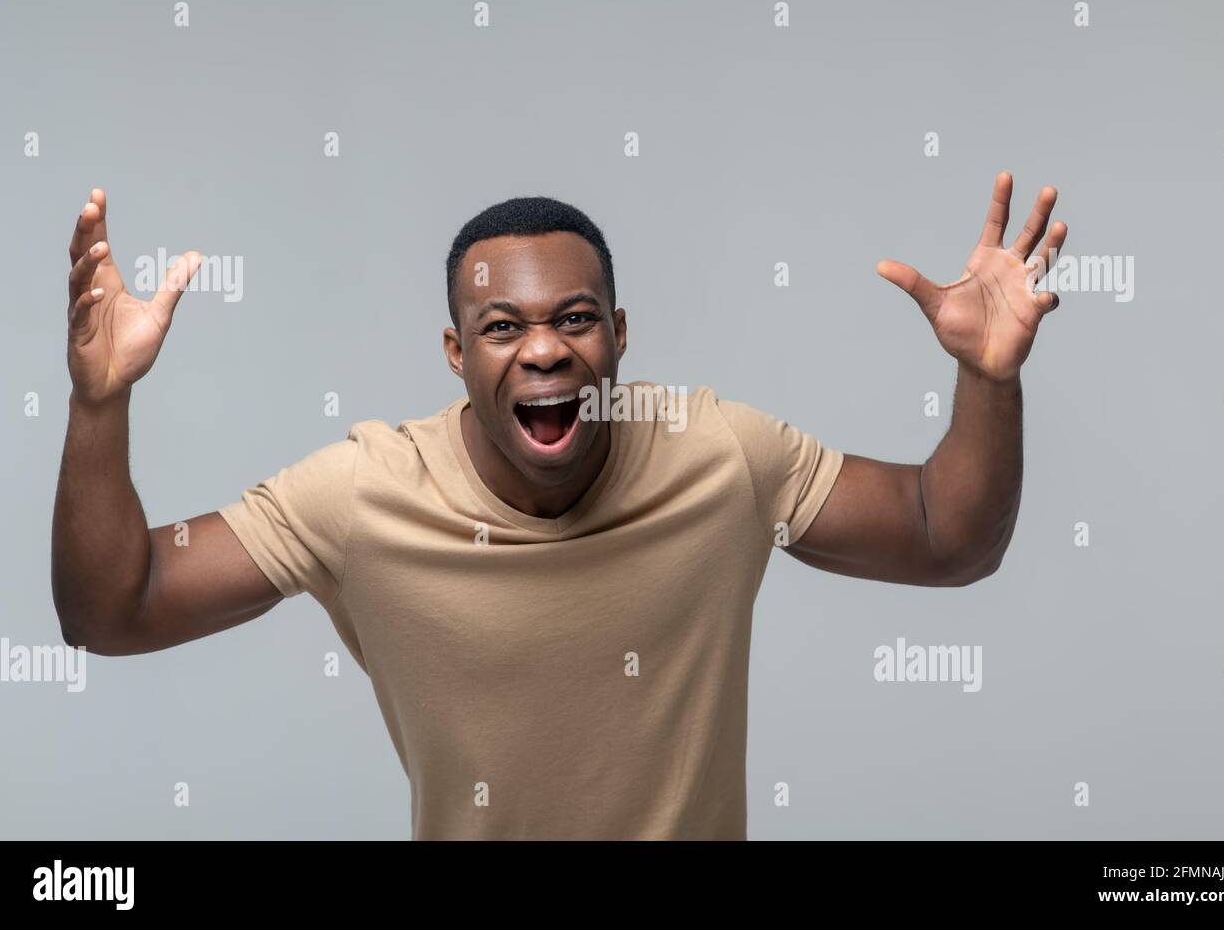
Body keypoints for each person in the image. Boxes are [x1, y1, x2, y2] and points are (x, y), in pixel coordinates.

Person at [52, 174, 1067, 838]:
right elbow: (111, 609)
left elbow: (946, 537)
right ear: (456, 353)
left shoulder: (720, 453)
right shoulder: (362, 492)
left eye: (575, 318)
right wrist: (100, 404)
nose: (544, 348)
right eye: (502, 326)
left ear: (619, 335)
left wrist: (989, 377)